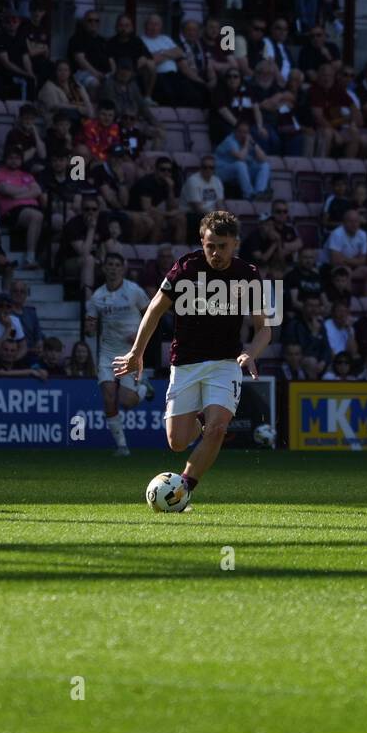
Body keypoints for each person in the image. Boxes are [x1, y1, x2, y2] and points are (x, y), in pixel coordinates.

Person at [111, 211, 270, 510]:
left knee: (218, 429)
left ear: (235, 244)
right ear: (202, 241)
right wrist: (136, 352)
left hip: (225, 364)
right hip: (185, 363)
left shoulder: (247, 274)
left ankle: (182, 489)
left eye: (223, 246)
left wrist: (250, 353)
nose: (216, 253)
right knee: (178, 442)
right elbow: (155, 310)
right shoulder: (185, 268)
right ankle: (200, 420)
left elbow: (265, 329)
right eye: (210, 245)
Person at [86, 251, 156, 456]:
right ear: (104, 268)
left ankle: (143, 387)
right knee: (108, 397)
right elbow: (89, 325)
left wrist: (139, 335)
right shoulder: (97, 297)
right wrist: (89, 326)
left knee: (128, 402)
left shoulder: (134, 291)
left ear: (123, 268)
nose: (113, 268)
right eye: (110, 264)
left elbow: (151, 315)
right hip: (108, 353)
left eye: (117, 264)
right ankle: (122, 446)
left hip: (131, 353)